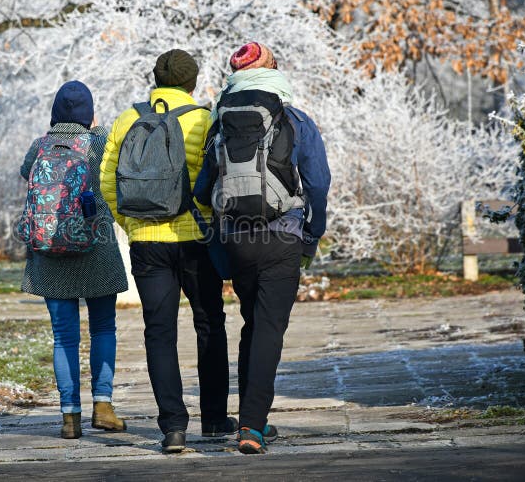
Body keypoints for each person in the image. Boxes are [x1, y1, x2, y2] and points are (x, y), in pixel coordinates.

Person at [194, 42, 331, 454]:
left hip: (237, 240)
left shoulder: (221, 121)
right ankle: (252, 425)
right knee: (269, 328)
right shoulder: (294, 119)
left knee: (252, 324)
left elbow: (203, 189)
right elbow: (319, 183)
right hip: (282, 238)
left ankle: (255, 419)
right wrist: (312, 233)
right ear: (274, 70)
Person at [100, 50, 236, 453]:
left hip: (147, 244)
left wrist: (134, 227)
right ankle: (213, 418)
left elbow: (108, 181)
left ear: (156, 80)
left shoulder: (129, 118)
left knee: (159, 331)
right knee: (209, 322)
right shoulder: (203, 118)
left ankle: (173, 427)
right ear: (193, 83)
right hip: (196, 239)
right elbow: (217, 179)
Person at [20, 80, 129, 439]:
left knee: (64, 337)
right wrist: (96, 130)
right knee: (103, 328)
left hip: (49, 250)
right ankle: (104, 407)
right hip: (95, 247)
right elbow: (115, 173)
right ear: (89, 113)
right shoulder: (98, 142)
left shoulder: (41, 146)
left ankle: (70, 418)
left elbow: (26, 173)